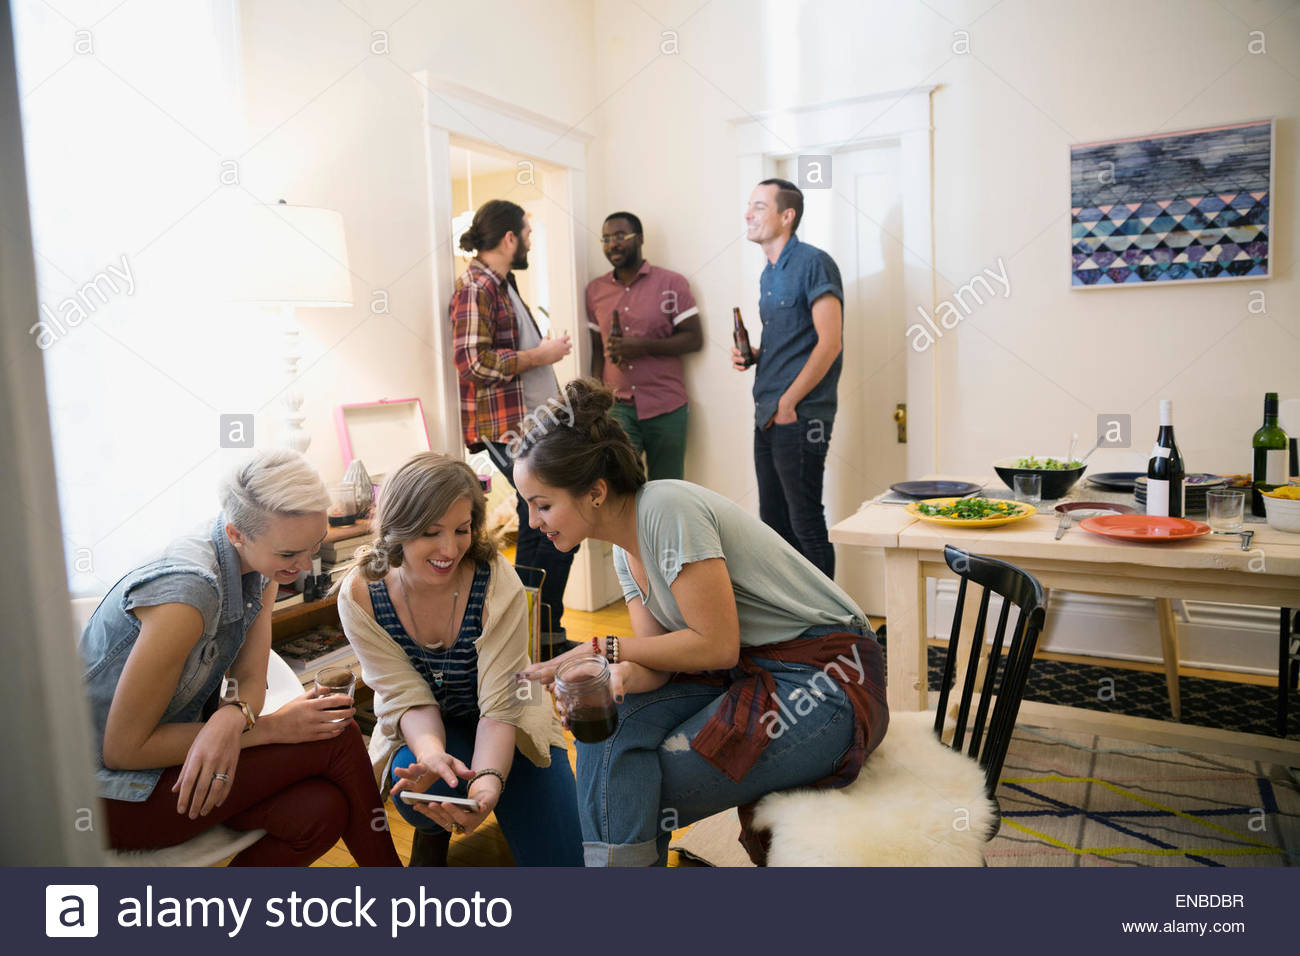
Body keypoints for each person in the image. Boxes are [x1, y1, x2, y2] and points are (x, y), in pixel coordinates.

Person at [516, 379, 888, 867]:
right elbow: (657, 664)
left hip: (827, 682)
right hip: (755, 673)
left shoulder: (666, 509)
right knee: (612, 729)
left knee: (630, 790)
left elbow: (716, 648)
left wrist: (607, 647)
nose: (532, 521)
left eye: (542, 504)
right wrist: (605, 680)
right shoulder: (628, 555)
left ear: (596, 492)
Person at [79, 449, 401, 866]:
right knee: (337, 735)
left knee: (321, 812)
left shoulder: (261, 564)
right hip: (108, 793)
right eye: (289, 555)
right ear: (236, 534)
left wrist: (233, 718)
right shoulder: (188, 596)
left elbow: (250, 677)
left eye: (315, 545)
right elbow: (122, 750)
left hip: (178, 758)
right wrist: (267, 730)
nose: (305, 565)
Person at [336, 452, 583, 866]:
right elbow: (406, 697)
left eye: (462, 529)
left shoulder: (495, 579)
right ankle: (437, 828)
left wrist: (487, 783)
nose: (449, 549)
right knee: (425, 781)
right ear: (398, 528)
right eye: (431, 532)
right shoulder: (361, 594)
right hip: (429, 728)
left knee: (567, 867)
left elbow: (503, 706)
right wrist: (431, 752)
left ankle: (499, 799)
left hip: (512, 720)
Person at [451, 198, 576, 655]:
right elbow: (471, 362)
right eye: (526, 232)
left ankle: (537, 636)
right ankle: (533, 636)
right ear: (509, 238)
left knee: (538, 522)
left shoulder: (503, 285)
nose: (528, 241)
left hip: (528, 424)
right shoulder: (476, 288)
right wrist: (539, 356)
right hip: (508, 428)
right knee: (552, 518)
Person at [732, 178, 844, 578]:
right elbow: (796, 339)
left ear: (787, 215)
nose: (748, 213)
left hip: (800, 416)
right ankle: (797, 626)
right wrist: (757, 355)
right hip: (767, 412)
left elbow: (829, 343)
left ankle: (831, 630)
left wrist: (789, 403)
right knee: (774, 526)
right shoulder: (769, 273)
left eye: (759, 206)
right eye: (749, 205)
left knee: (806, 523)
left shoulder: (814, 263)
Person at [586, 211, 703, 480]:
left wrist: (643, 346)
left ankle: (661, 526)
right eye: (605, 238)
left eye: (619, 236)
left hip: (666, 406)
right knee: (620, 484)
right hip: (616, 407)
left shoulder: (671, 283)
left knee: (668, 487)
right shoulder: (595, 291)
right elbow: (596, 351)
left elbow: (694, 338)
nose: (612, 244)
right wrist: (593, 405)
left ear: (639, 239)